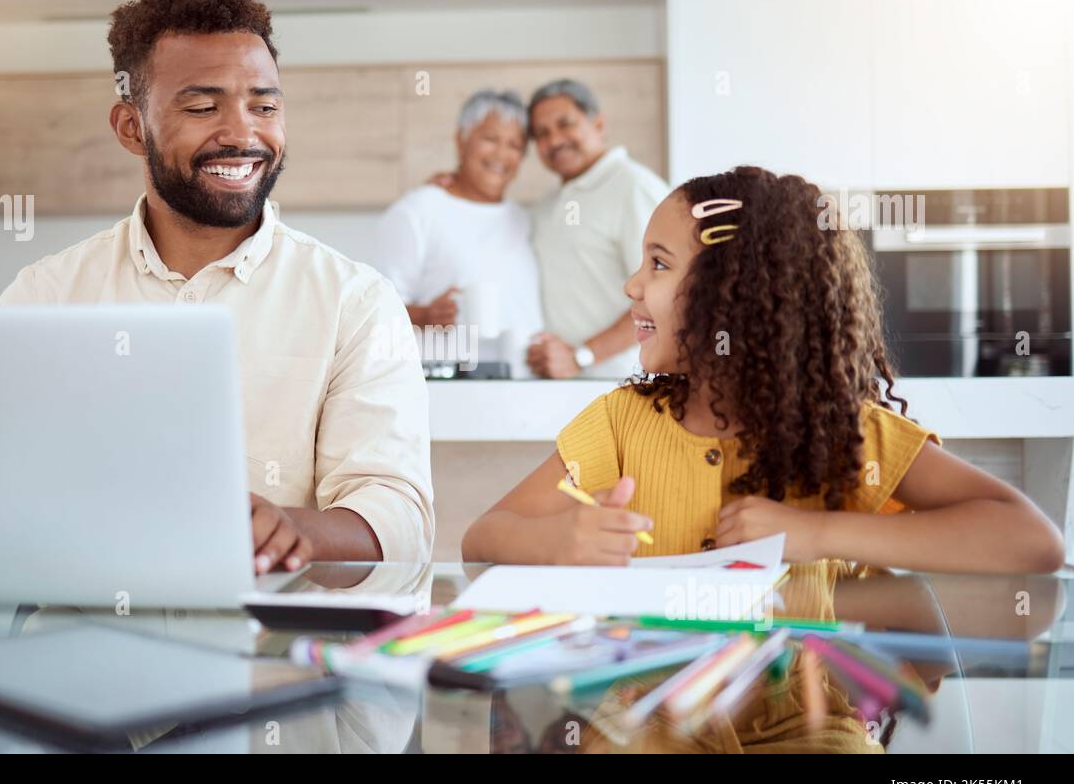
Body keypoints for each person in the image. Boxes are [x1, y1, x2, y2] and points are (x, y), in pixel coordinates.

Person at [0, 0, 434, 573]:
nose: (242, 133)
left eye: (265, 106)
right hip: (84, 634)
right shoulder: (45, 296)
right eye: (203, 107)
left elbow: (400, 518)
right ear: (131, 128)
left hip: (275, 653)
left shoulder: (355, 301)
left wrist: (292, 530)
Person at [462, 166, 1064, 574]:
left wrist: (817, 535)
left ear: (733, 297)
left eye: (659, 264)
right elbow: (483, 537)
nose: (632, 284)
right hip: (647, 716)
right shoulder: (622, 421)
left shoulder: (843, 432)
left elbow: (1030, 539)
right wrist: (557, 539)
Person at [368, 90, 543, 377]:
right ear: (461, 140)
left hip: (525, 389)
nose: (501, 154)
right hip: (452, 391)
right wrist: (425, 315)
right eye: (490, 139)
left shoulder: (523, 219)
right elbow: (374, 314)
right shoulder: (416, 211)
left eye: (514, 145)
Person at [523, 79, 669, 379]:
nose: (554, 140)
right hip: (565, 387)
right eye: (542, 133)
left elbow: (664, 293)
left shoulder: (634, 188)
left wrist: (582, 355)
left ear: (599, 124)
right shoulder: (546, 205)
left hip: (631, 385)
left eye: (565, 124)